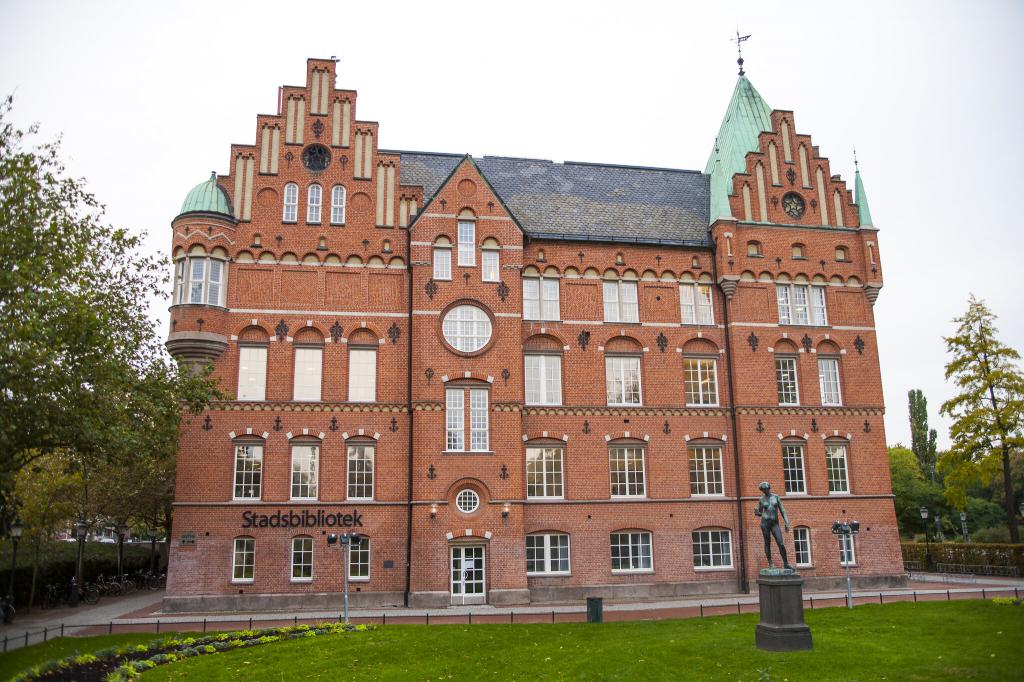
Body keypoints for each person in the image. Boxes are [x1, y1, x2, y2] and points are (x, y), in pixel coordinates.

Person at [754, 481, 793, 570]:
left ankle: (786, 563)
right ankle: (770, 563)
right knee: (767, 543)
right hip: (765, 524)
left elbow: (782, 510)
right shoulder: (761, 500)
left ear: (769, 488)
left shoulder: (776, 497)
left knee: (781, 543)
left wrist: (787, 522)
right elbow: (760, 513)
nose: (765, 491)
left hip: (775, 523)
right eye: (763, 490)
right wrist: (757, 513)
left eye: (767, 489)